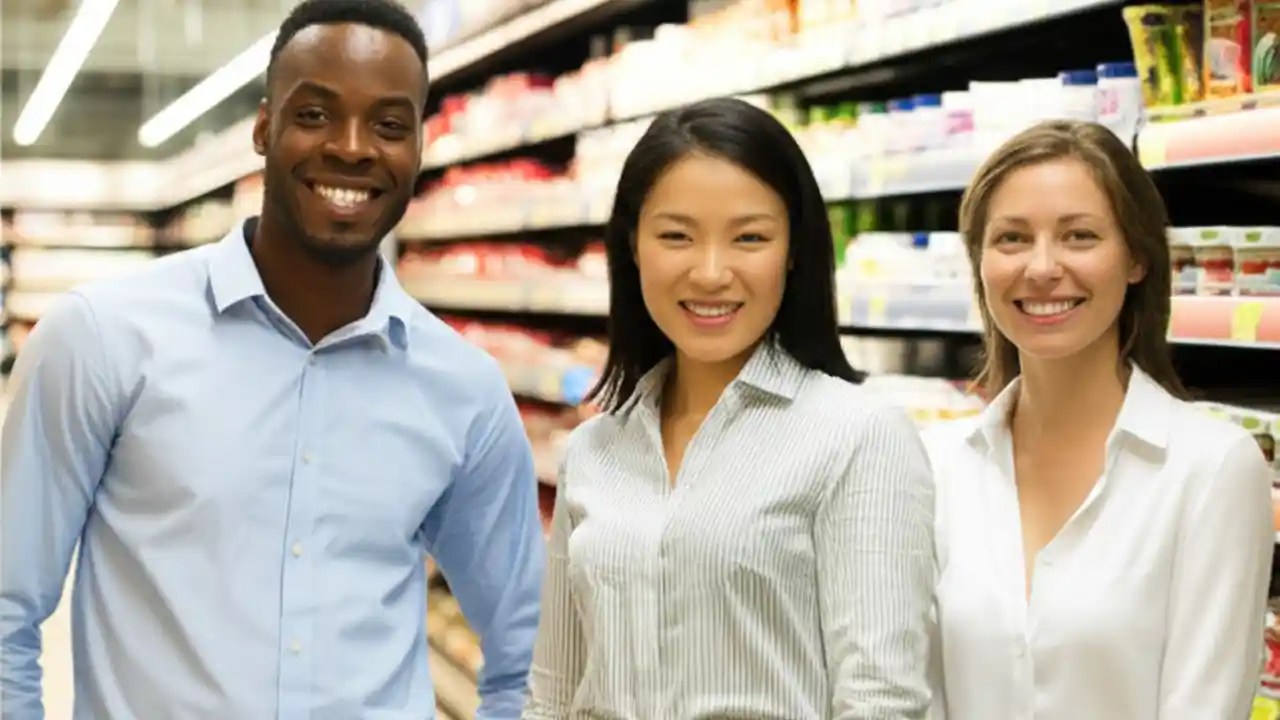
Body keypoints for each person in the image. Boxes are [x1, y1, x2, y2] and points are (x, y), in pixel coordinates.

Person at [0, 1, 544, 717]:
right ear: (264, 128)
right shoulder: (102, 339)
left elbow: (529, 656)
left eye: (388, 124)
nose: (352, 148)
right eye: (315, 114)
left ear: (420, 145)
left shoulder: (463, 391)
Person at [522, 97, 937, 719]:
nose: (711, 272)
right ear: (632, 245)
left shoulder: (859, 438)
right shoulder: (594, 450)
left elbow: (882, 701)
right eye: (676, 236)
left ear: (793, 249)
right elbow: (553, 694)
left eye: (749, 237)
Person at [925, 119, 1275, 719]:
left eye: (1079, 236)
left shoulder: (1210, 469)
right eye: (1011, 238)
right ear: (979, 262)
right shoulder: (935, 465)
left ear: (1136, 257)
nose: (1041, 268)